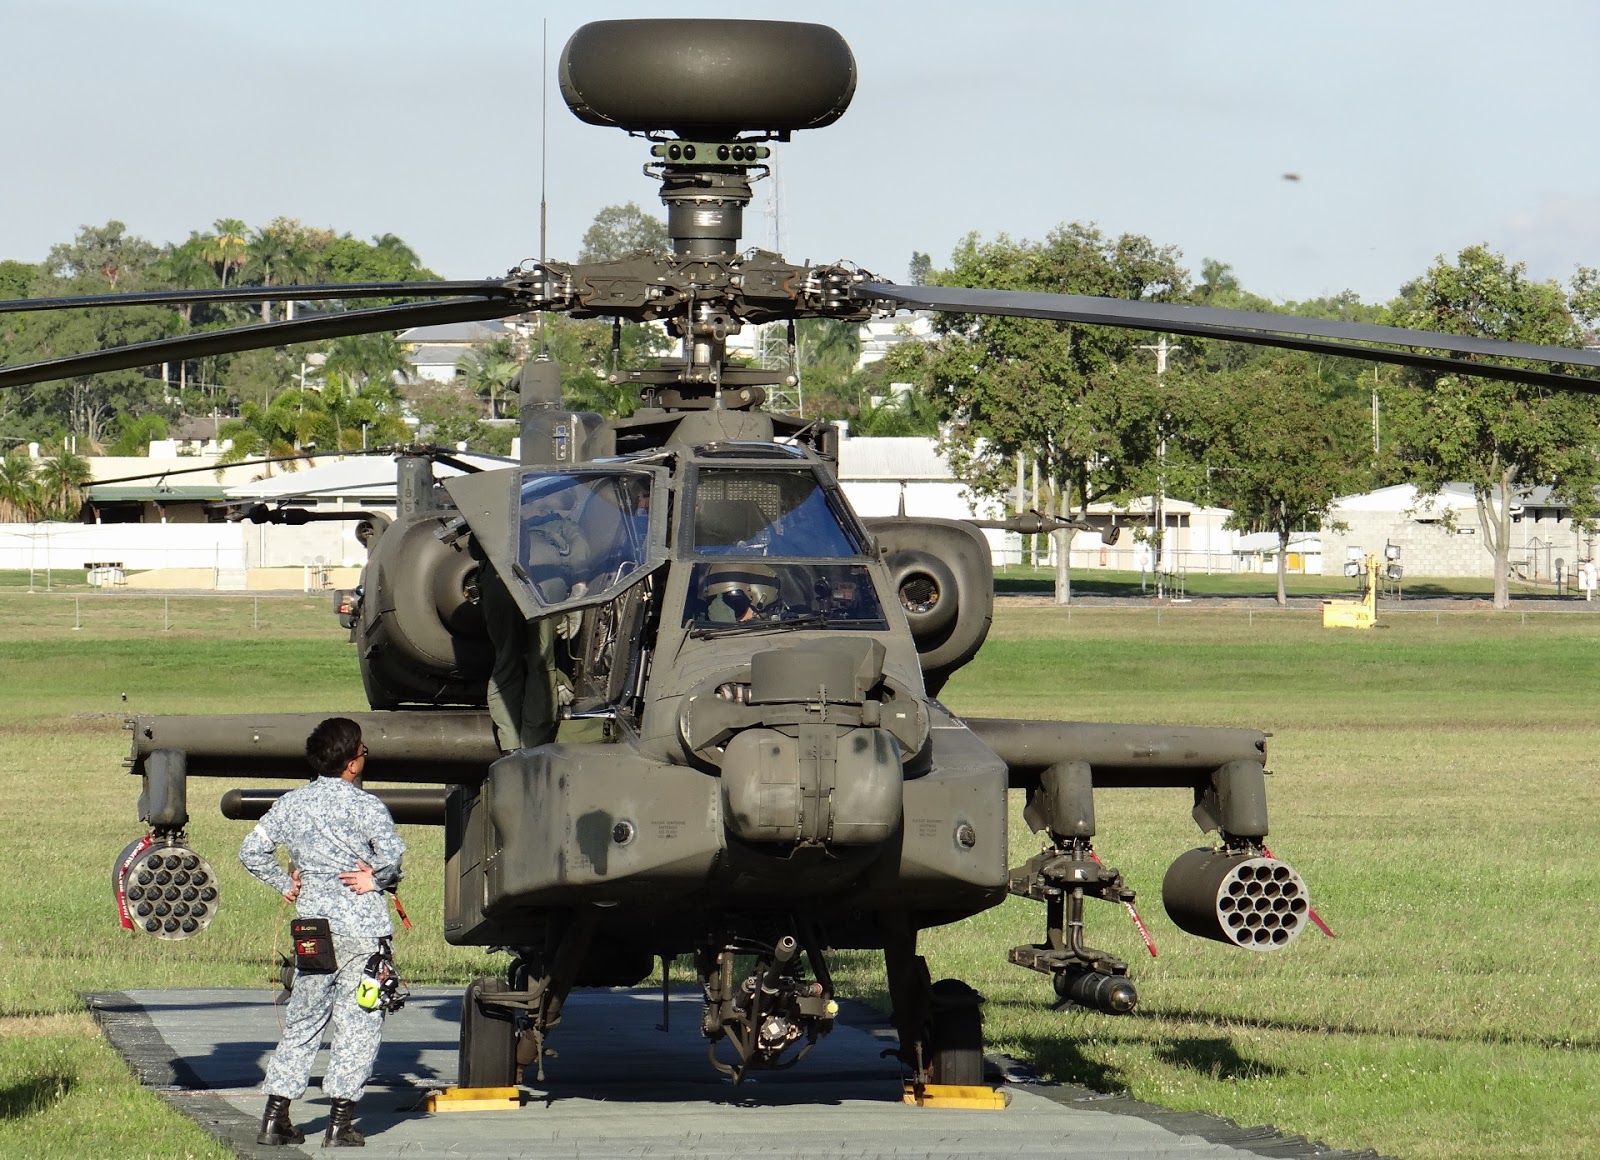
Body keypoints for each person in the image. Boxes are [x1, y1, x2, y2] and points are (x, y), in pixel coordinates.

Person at [240, 717, 406, 1148]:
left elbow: (251, 851)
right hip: (361, 930)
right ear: (352, 763)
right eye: (363, 753)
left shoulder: (290, 804)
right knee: (359, 1021)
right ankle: (340, 1122)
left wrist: (287, 883)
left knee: (303, 1020)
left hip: (312, 929)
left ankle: (275, 1118)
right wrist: (378, 879)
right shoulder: (367, 808)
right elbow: (391, 858)